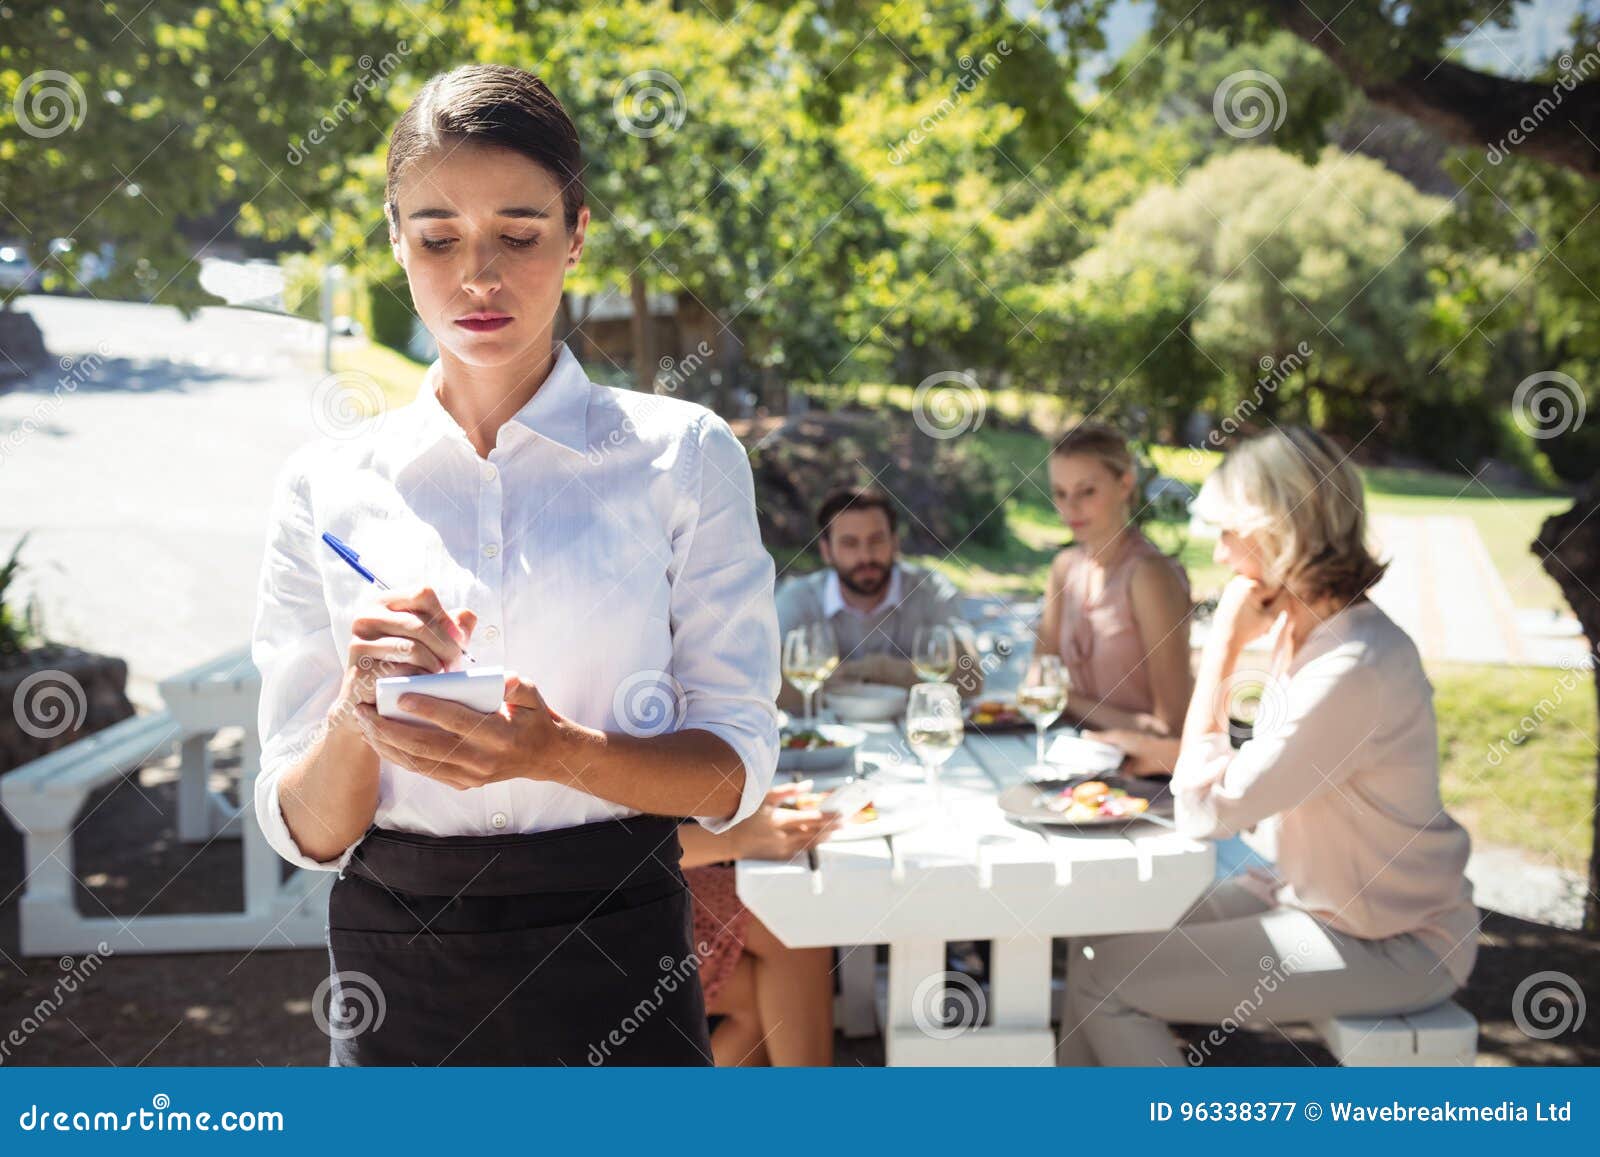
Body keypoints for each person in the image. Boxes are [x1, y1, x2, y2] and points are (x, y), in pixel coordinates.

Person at [250, 64, 779, 1066]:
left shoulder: (685, 456)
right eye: (438, 236)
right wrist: (357, 708)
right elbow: (307, 830)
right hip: (395, 974)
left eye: (520, 234)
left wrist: (555, 753)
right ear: (396, 240)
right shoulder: (325, 487)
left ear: (576, 234)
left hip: (616, 954)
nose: (477, 278)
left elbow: (733, 773)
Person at [1058, 426, 1478, 1066]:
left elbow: (1205, 813)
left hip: (1394, 941)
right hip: (1301, 893)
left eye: (1229, 534)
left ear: (1283, 532)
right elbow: (1247, 772)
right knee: (1094, 943)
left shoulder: (1354, 663)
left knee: (1107, 983)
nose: (1222, 556)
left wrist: (1224, 643)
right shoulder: (1311, 633)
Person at [1031, 421, 1193, 774]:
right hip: (1074, 765)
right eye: (1060, 493)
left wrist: (1067, 700)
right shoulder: (1064, 569)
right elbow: (1035, 683)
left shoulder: (1148, 576)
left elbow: (1171, 728)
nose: (1070, 507)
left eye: (1086, 491)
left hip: (1144, 780)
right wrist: (1059, 700)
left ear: (1125, 484)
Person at [774, 485, 983, 710]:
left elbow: (970, 678)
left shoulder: (931, 590)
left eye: (876, 540)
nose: (865, 555)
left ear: (894, 542)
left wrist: (877, 670)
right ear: (826, 550)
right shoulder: (797, 598)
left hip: (914, 734)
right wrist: (909, 674)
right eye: (849, 543)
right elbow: (767, 690)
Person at [678, 784, 840, 1066]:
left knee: (770, 996)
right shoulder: (578, 744)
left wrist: (731, 804)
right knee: (792, 922)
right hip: (596, 916)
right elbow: (599, 850)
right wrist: (735, 839)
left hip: (630, 884)